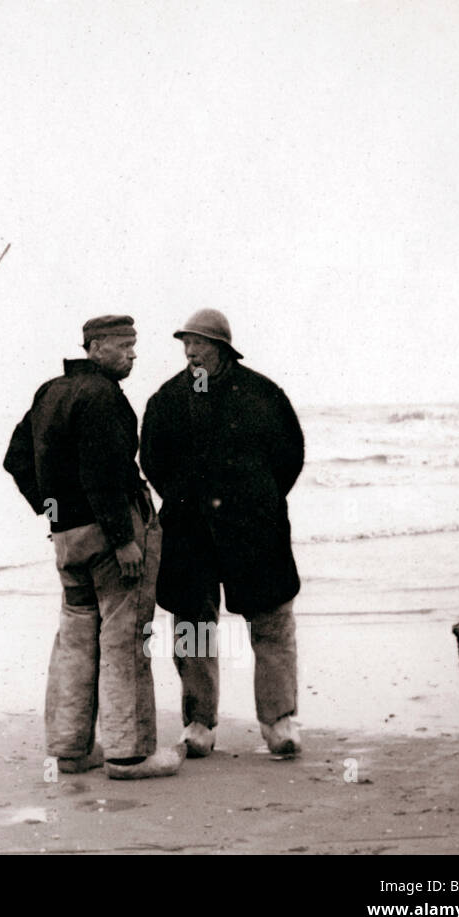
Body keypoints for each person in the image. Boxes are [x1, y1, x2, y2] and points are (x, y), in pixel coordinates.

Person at [4, 315, 183, 780]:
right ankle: (130, 754)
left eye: (134, 345)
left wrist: (52, 510)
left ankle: (71, 750)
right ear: (96, 347)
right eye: (124, 345)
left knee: (76, 640)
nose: (132, 354)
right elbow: (102, 472)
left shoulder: (51, 391)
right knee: (126, 639)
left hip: (68, 538)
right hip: (112, 536)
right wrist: (124, 540)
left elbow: (16, 457)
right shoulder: (103, 396)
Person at [139, 309, 305, 758]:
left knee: (271, 621)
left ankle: (278, 723)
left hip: (255, 529)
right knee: (192, 626)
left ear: (223, 349)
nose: (191, 352)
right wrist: (181, 500)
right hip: (190, 532)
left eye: (200, 344)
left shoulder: (263, 394)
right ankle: (199, 724)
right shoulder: (167, 399)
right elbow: (152, 460)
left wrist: (260, 502)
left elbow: (289, 457)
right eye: (186, 344)